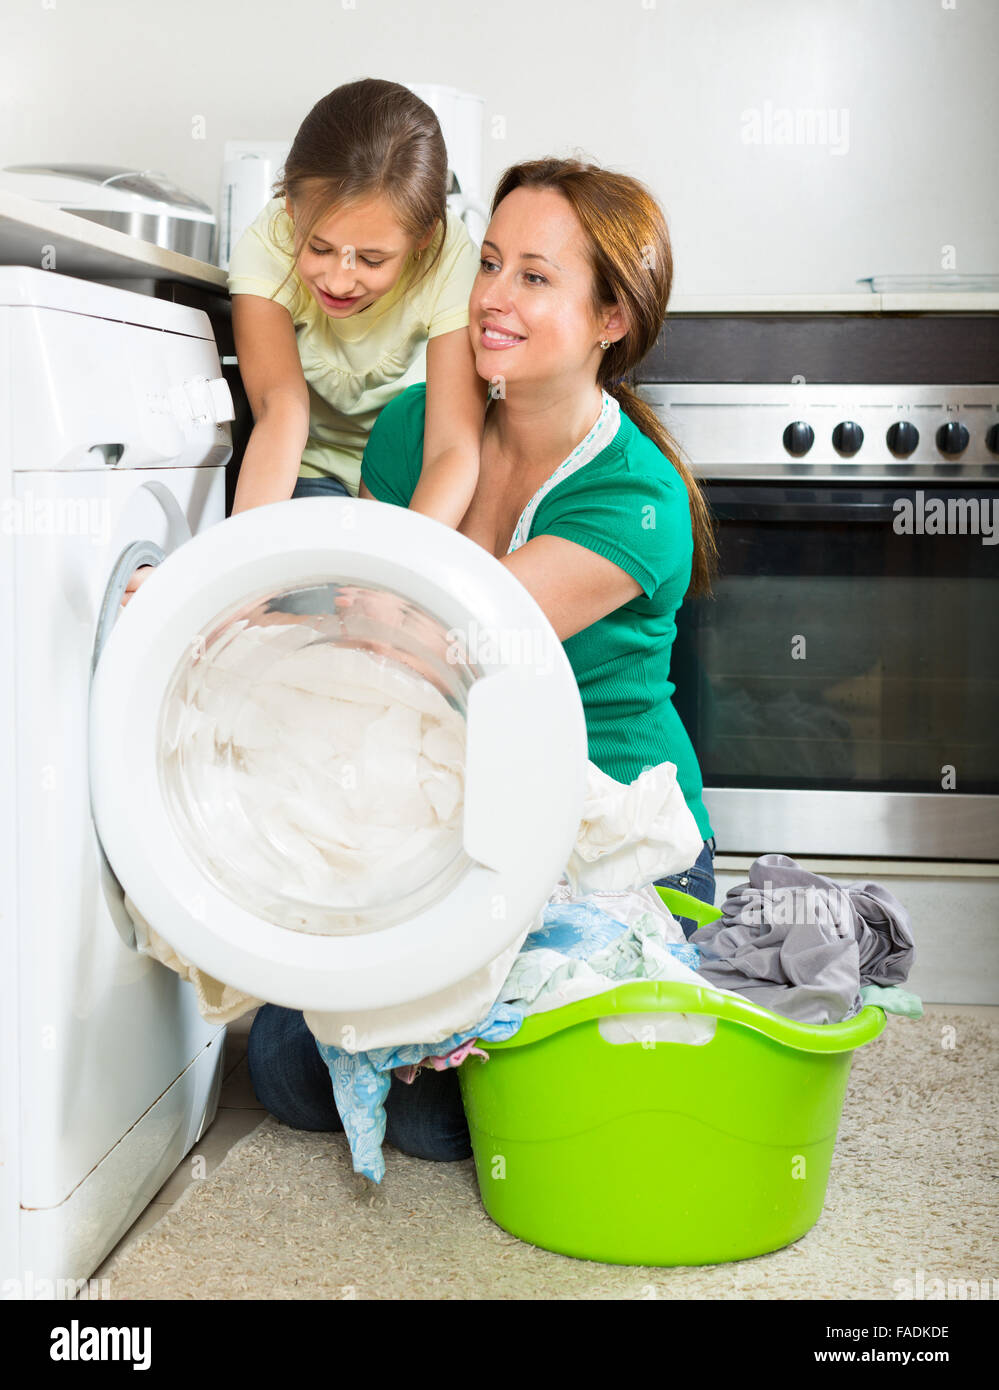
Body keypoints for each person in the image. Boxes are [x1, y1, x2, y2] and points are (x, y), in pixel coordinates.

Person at [248, 155, 718, 1168]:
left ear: (611, 319)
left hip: (608, 836)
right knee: (284, 1073)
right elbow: (368, 640)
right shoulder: (419, 428)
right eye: (491, 264)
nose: (494, 300)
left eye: (536, 278)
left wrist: (301, 594)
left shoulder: (637, 501)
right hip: (462, 810)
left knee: (425, 1122)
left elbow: (442, 639)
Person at [122, 76, 487, 603]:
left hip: (411, 473)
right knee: (302, 614)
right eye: (319, 247)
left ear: (424, 240)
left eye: (373, 259)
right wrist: (226, 580)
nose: (339, 280)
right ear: (291, 210)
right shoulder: (266, 247)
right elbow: (281, 408)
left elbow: (453, 449)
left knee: (398, 620)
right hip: (310, 466)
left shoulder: (451, 258)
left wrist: (400, 579)